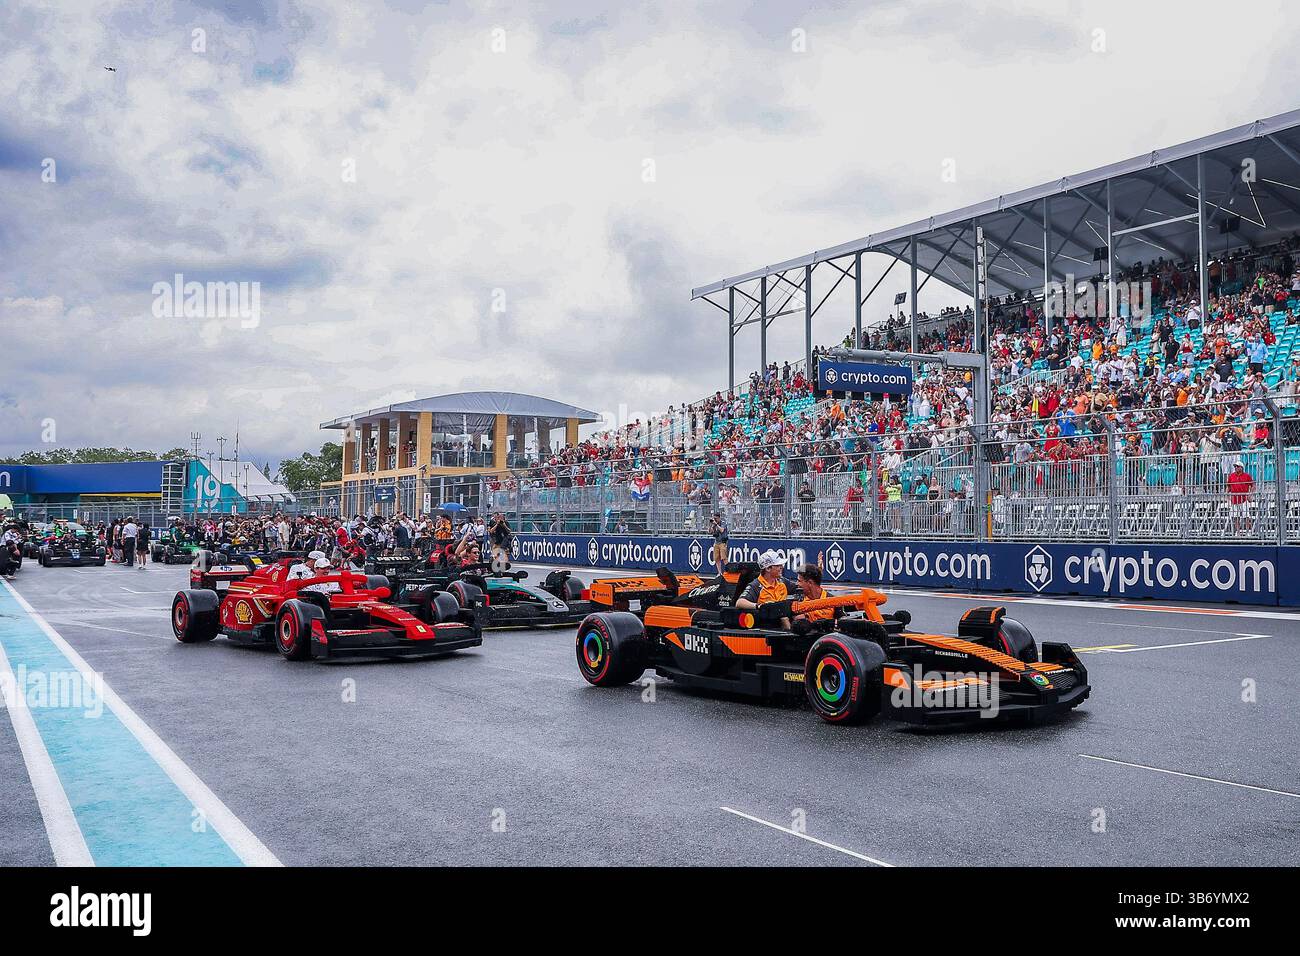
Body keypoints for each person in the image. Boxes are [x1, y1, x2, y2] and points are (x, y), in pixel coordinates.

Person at [735, 550, 793, 629]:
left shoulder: (782, 581)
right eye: (778, 565)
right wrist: (759, 606)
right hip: (767, 628)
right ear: (768, 569)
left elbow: (799, 588)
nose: (782, 567)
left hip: (785, 625)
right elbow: (739, 602)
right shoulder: (756, 585)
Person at [1226, 462, 1254, 535]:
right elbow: (1228, 487)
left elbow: (1253, 486)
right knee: (1236, 517)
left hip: (1244, 499)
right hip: (1234, 500)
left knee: (1246, 516)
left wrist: (1250, 494)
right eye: (1235, 466)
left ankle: (1249, 531)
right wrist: (1226, 495)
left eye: (1237, 466)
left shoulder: (1247, 476)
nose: (1236, 468)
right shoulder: (1231, 476)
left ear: (1241, 467)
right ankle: (1237, 532)